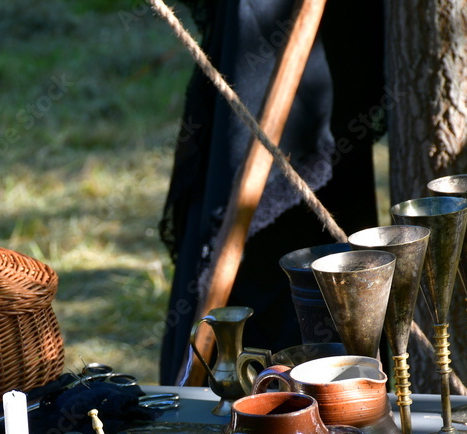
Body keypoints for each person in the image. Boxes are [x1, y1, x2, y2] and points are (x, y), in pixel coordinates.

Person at [158, 0, 386, 385]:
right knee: (235, 202)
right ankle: (229, 384)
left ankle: (338, 390)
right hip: (255, 35)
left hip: (330, 40)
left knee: (329, 208)